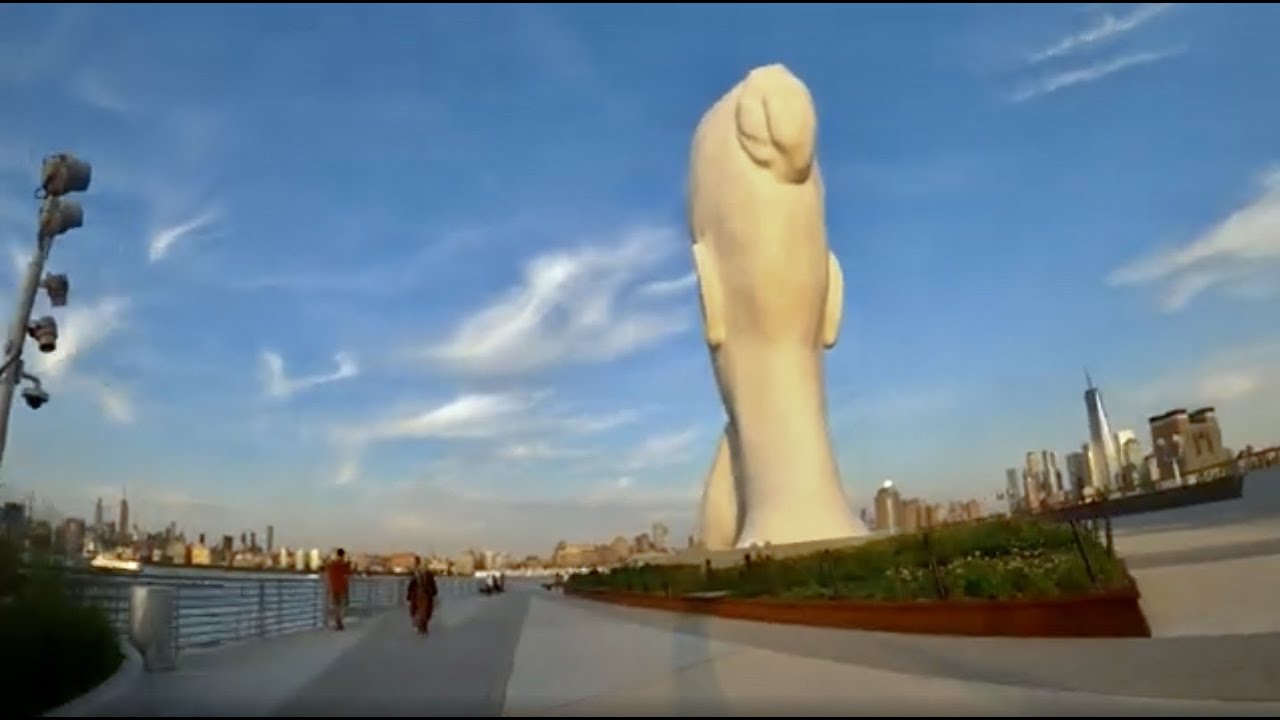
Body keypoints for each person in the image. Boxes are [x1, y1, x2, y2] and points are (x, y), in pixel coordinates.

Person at [405, 556, 438, 634]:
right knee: (424, 611)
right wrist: (434, 592)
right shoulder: (428, 574)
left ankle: (420, 626)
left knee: (419, 611)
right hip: (424, 595)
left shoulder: (417, 573)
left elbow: (412, 585)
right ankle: (422, 627)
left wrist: (409, 595)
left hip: (419, 594)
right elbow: (432, 585)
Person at [325, 548, 352, 631]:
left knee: (336, 605)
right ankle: (339, 622)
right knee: (341, 606)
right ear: (343, 555)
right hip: (342, 587)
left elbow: (327, 567)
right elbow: (349, 572)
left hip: (334, 586)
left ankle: (338, 622)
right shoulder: (344, 564)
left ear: (337, 554)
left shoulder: (332, 564)